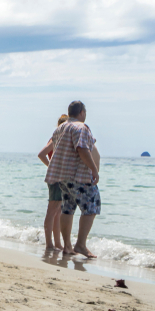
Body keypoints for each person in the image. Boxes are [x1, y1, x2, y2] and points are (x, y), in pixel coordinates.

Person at [45, 100, 100, 258]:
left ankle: (67, 246)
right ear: (81, 112)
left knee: (68, 208)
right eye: (85, 112)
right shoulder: (80, 127)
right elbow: (82, 149)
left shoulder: (60, 128)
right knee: (92, 206)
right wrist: (94, 169)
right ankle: (80, 245)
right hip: (79, 176)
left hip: (62, 176)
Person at [37, 114, 69, 251]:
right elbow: (41, 154)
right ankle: (49, 244)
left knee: (57, 213)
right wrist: (51, 166)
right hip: (56, 178)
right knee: (52, 211)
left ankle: (57, 243)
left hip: (60, 178)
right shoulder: (56, 138)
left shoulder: (61, 138)